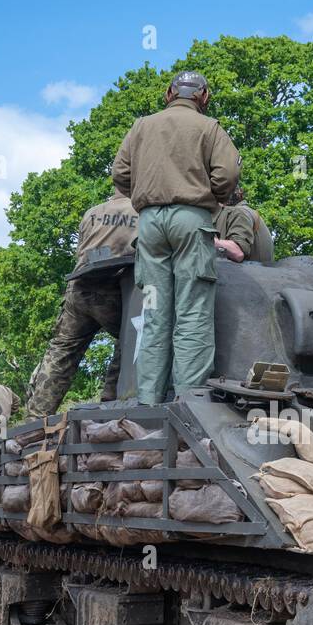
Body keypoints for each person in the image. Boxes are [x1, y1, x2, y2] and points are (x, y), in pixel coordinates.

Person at [112, 71, 241, 406]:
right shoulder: (209, 127)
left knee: (154, 315)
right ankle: (189, 406)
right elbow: (226, 176)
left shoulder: (141, 126)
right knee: (192, 314)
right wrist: (210, 195)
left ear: (169, 94)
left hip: (150, 227)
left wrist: (147, 192)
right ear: (204, 97)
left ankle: (148, 404)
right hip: (191, 223)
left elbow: (120, 175)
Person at [24, 191, 138, 417]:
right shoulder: (141, 213)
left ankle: (35, 417)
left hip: (78, 288)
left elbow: (81, 250)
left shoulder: (91, 213)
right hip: (112, 290)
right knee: (131, 337)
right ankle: (112, 396)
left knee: (61, 351)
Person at [214, 186, 274, 263]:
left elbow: (237, 252)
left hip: (248, 273)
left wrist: (205, 240)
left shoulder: (239, 212)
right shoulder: (244, 211)